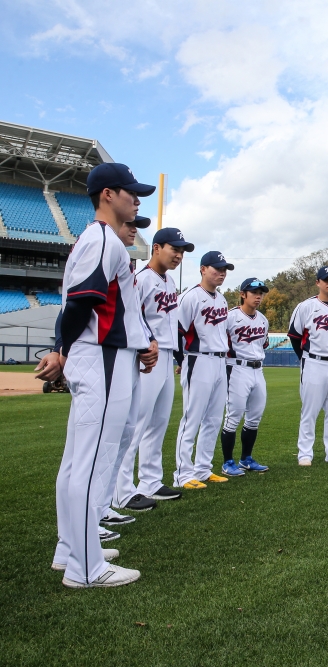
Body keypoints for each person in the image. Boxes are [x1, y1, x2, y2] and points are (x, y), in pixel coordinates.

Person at [49, 163, 158, 588]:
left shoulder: (95, 238)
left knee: (77, 460)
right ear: (108, 195)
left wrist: (64, 348)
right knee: (92, 462)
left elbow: (81, 303)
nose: (137, 200)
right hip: (102, 356)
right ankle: (86, 568)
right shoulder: (103, 239)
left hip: (101, 354)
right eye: (130, 192)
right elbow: (82, 302)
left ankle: (71, 549)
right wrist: (63, 351)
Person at [110, 228, 192, 514]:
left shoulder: (169, 281)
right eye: (174, 249)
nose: (179, 255)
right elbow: (131, 316)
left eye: (182, 251)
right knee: (135, 424)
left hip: (167, 355)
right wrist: (144, 346)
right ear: (156, 248)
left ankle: (150, 481)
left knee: (158, 423)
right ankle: (121, 490)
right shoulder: (142, 279)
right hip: (148, 356)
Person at [173, 251, 234, 489]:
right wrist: (181, 360)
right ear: (203, 269)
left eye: (224, 269)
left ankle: (203, 469)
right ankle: (183, 474)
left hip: (219, 361)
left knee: (213, 419)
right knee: (192, 418)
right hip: (198, 359)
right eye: (217, 269)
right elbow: (176, 330)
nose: (222, 273)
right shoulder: (190, 297)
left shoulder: (222, 299)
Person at [287, 266, 328, 465]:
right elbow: (294, 336)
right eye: (326, 279)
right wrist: (304, 359)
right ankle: (305, 453)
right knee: (310, 411)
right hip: (314, 362)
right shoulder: (305, 307)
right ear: (318, 282)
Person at [219, 278, 271, 477]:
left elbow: (262, 344)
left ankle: (246, 459)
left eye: (261, 293)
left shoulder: (263, 319)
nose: (258, 296)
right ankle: (227, 462)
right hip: (237, 368)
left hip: (258, 369)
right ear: (243, 294)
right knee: (233, 417)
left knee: (254, 417)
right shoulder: (230, 317)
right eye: (254, 292)